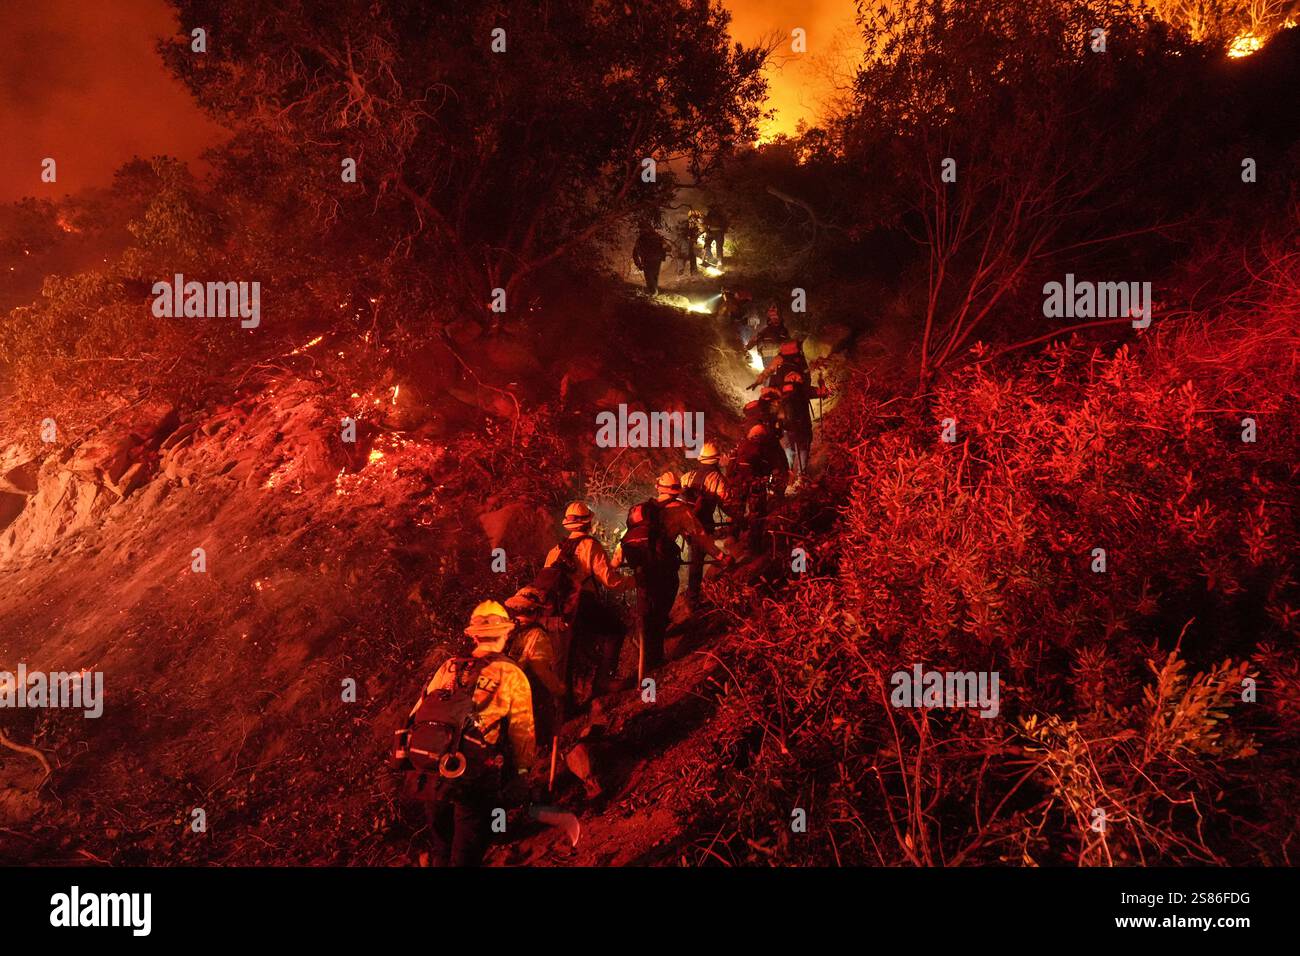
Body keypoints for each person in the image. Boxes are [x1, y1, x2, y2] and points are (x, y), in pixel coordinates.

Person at [394, 601, 536, 867]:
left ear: (473, 635)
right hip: (474, 774)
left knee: (442, 847)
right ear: (506, 634)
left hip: (432, 768)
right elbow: (523, 731)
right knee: (467, 849)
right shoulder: (512, 674)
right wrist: (523, 773)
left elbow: (416, 713)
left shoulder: (449, 666)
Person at [614, 472, 730, 672]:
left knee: (648, 611)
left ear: (659, 488)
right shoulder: (681, 510)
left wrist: (613, 564)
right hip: (663, 569)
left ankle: (644, 648)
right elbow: (700, 536)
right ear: (677, 490)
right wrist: (720, 557)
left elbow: (625, 538)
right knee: (660, 610)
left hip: (641, 569)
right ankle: (654, 661)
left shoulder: (641, 510)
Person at [543, 501, 634, 699]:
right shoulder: (590, 546)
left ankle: (564, 703)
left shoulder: (554, 551)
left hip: (559, 609)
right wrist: (633, 581)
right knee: (615, 630)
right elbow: (610, 581)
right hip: (584, 603)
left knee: (565, 655)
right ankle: (604, 680)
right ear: (587, 524)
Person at [504, 586, 566, 743]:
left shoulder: (503, 630)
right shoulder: (537, 635)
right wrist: (559, 689)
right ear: (536, 612)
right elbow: (540, 670)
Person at [680, 442, 733, 603]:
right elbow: (727, 504)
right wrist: (737, 517)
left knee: (698, 554)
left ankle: (695, 590)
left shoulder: (687, 476)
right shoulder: (716, 478)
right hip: (702, 524)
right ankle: (693, 596)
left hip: (685, 524)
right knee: (698, 557)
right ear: (716, 460)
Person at [728, 424, 789, 552]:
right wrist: (778, 490)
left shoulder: (742, 444)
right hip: (756, 483)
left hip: (739, 482)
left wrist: (732, 481)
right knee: (757, 513)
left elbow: (731, 466)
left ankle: (733, 535)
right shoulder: (766, 446)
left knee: (737, 509)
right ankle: (754, 546)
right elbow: (778, 466)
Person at [780, 371, 829, 479]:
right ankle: (801, 475)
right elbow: (823, 393)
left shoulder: (781, 390)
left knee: (789, 449)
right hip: (803, 426)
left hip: (787, 428)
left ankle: (785, 475)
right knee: (803, 449)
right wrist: (822, 384)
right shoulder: (804, 389)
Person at [632, 223, 670, 295]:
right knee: (654, 276)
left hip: (647, 260)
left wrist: (638, 264)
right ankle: (654, 292)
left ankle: (653, 292)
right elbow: (668, 248)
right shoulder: (657, 237)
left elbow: (635, 253)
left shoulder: (641, 239)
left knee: (649, 277)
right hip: (656, 259)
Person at [751, 302, 791, 367]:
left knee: (770, 373)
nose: (775, 320)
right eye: (774, 318)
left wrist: (747, 347)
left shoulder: (765, 330)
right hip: (776, 356)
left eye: (776, 318)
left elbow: (755, 339)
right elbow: (789, 343)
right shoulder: (783, 331)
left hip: (767, 356)